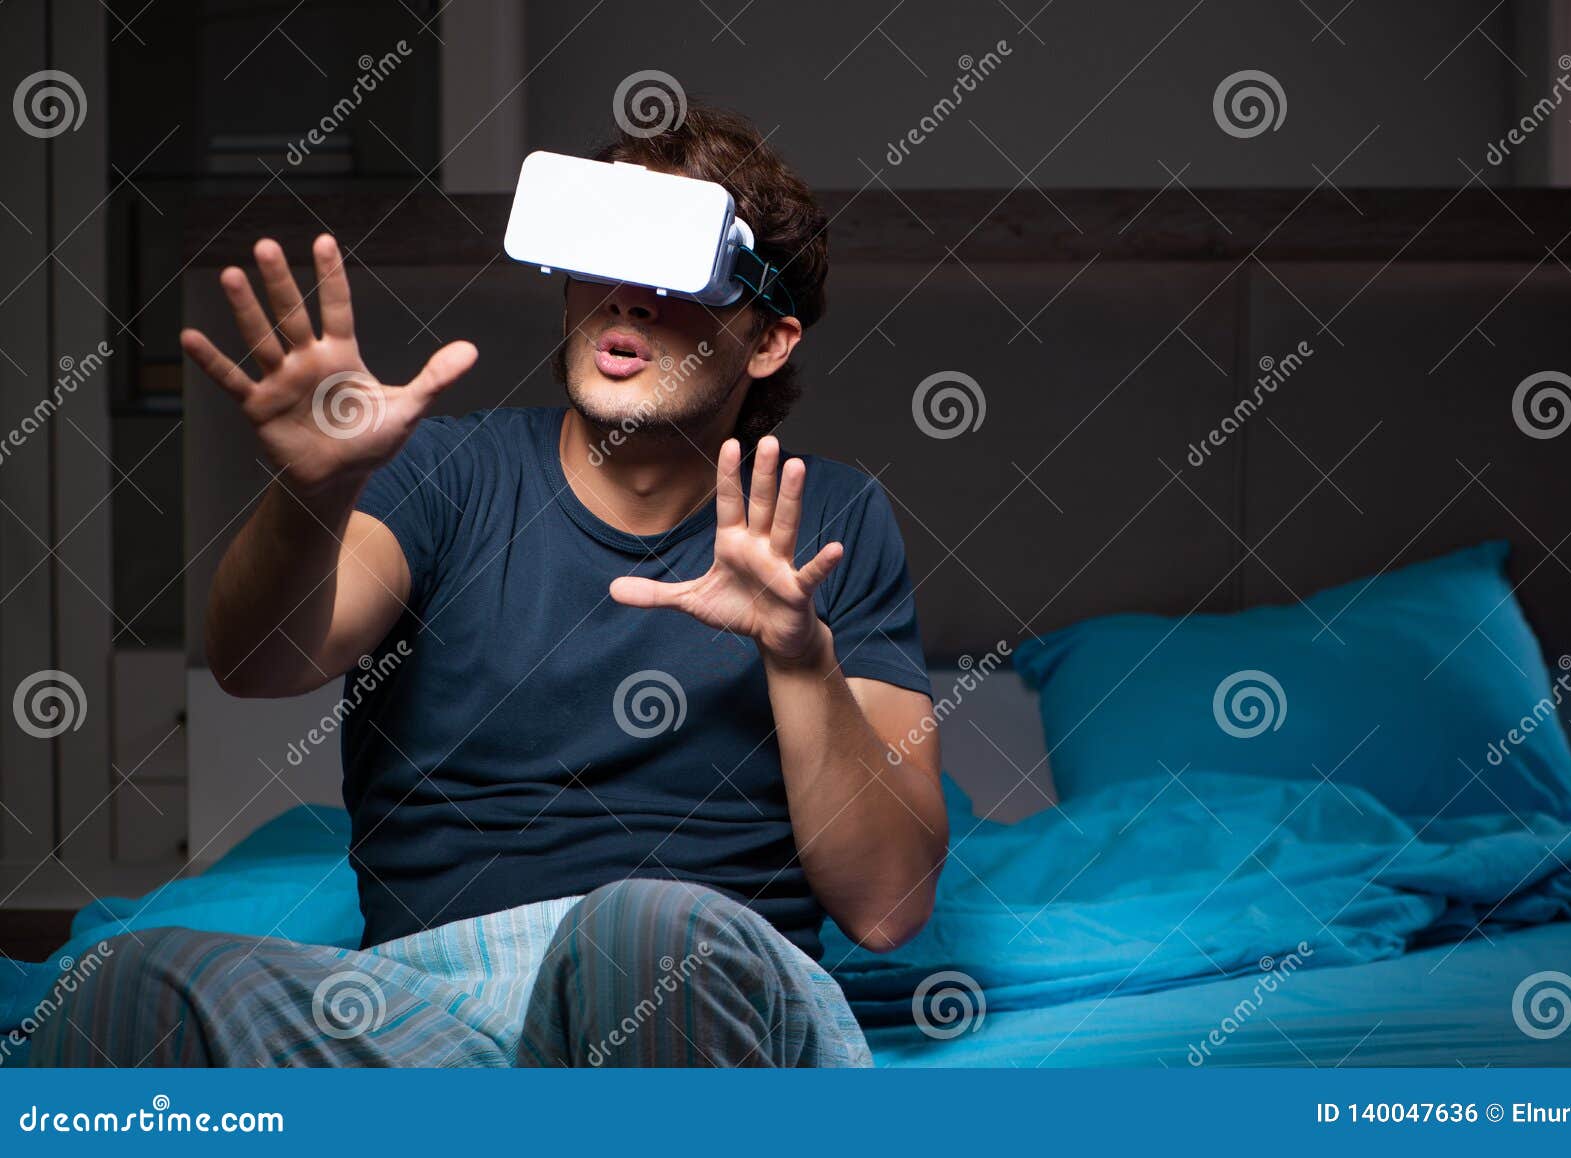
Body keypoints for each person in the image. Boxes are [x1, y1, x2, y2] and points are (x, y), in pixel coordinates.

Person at [32, 107, 944, 1068]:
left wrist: (800, 658)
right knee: (130, 985)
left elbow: (887, 907)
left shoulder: (829, 519)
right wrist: (314, 491)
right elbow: (260, 665)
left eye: (675, 267)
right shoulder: (445, 474)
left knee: (643, 929)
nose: (629, 299)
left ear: (767, 341)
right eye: (607, 250)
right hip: (427, 1010)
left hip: (694, 983)